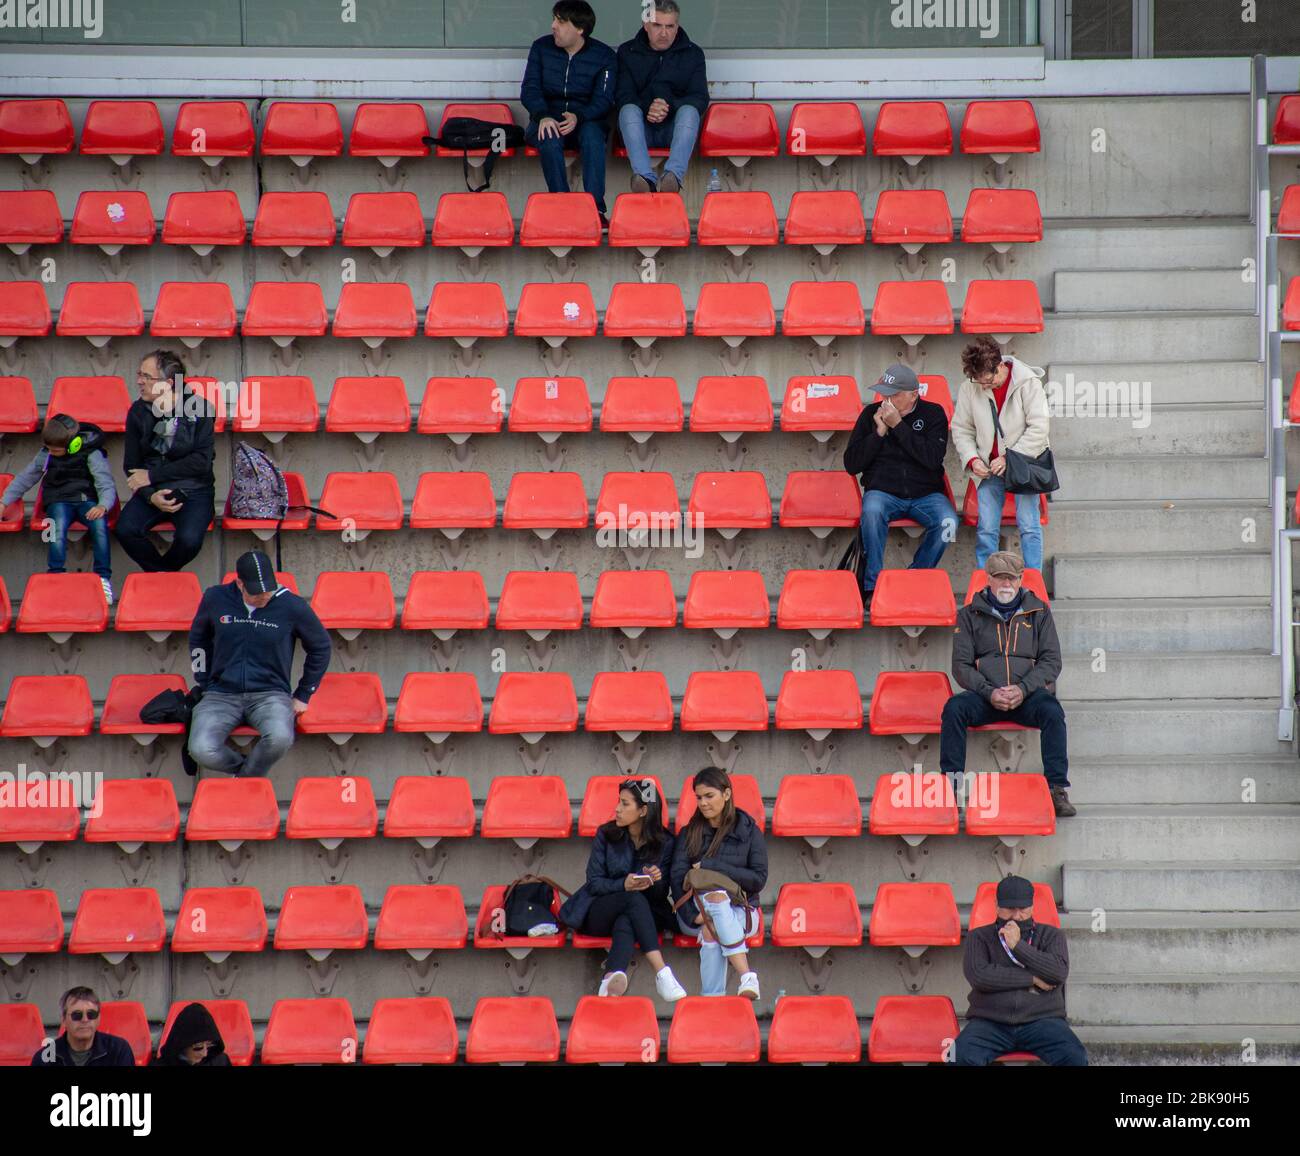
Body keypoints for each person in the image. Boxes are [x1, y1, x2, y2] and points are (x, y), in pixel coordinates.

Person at [942, 550, 1075, 817]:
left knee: (1052, 710)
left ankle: (1056, 789)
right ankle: (951, 789)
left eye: (1012, 579)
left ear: (1021, 579)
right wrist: (989, 692)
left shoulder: (1039, 612)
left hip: (1027, 696)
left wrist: (1023, 688)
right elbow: (961, 666)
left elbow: (1052, 661)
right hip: (985, 697)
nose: (1007, 584)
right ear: (988, 579)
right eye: (1001, 578)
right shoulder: (969, 615)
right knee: (954, 708)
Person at [187, 549, 332, 778]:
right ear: (239, 584)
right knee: (200, 749)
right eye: (256, 593)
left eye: (267, 591)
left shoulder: (292, 605)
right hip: (220, 693)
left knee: (280, 738)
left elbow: (321, 646)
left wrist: (304, 694)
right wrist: (203, 679)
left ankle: (246, 779)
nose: (263, 597)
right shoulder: (215, 598)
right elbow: (198, 639)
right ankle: (247, 774)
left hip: (271, 693)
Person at [559, 778, 688, 1001]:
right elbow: (594, 882)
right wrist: (623, 884)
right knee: (631, 900)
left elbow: (660, 896)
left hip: (643, 913)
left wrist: (655, 880)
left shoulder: (665, 842)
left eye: (625, 804)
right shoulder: (607, 835)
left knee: (629, 915)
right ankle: (662, 972)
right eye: (619, 802)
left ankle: (610, 980)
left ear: (643, 810)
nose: (617, 809)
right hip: (600, 910)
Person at [843, 362, 959, 607]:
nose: (887, 399)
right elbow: (851, 464)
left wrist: (898, 426)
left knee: (949, 522)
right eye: (885, 393)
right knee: (871, 511)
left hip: (926, 494)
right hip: (883, 492)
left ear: (913, 395)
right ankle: (873, 586)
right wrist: (879, 433)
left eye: (894, 394)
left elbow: (931, 459)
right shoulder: (870, 415)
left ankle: (915, 579)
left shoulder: (933, 413)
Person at [954, 875, 1088, 1066]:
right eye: (1009, 909)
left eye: (1023, 909)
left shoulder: (1052, 935)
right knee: (959, 1055)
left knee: (1075, 1056)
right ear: (997, 906)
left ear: (1032, 907)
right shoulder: (979, 937)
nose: (1016, 916)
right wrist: (1032, 978)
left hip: (1042, 1019)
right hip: (990, 1022)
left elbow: (1058, 973)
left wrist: (1018, 945)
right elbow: (979, 976)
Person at [950, 335, 1051, 571]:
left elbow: (1040, 428)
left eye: (986, 380)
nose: (983, 386)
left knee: (1029, 526)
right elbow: (961, 428)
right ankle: (988, 583)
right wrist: (972, 459)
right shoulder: (970, 387)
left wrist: (1008, 458)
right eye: (977, 381)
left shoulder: (1028, 383)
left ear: (999, 368)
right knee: (986, 529)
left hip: (1023, 464)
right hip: (987, 468)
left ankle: (1033, 582)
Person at [115, 349, 215, 573]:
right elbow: (131, 464)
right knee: (125, 529)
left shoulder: (200, 408)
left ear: (168, 383)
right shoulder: (137, 411)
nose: (139, 381)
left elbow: (201, 462)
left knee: (189, 540)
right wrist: (150, 494)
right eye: (139, 375)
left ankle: (162, 575)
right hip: (154, 490)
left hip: (194, 490)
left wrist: (151, 476)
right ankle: (162, 575)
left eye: (147, 377)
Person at [670, 767, 767, 999]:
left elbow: (758, 880)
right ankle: (747, 976)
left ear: (726, 794)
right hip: (695, 913)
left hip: (743, 911)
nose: (703, 803)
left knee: (717, 909)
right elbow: (676, 878)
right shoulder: (689, 833)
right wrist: (693, 915)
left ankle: (711, 1000)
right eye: (699, 797)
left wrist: (712, 866)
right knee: (713, 914)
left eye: (709, 796)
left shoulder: (749, 831)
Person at [1, 413, 116, 604]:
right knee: (56, 528)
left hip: (85, 499)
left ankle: (102, 578)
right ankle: (56, 575)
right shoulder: (46, 454)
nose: (52, 453)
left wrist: (102, 505)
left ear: (74, 443)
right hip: (58, 501)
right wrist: (4, 502)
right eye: (49, 449)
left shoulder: (92, 453)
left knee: (100, 527)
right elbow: (25, 478)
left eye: (56, 450)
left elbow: (106, 483)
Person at [520, 1, 617, 224]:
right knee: (549, 135)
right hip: (546, 117)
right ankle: (561, 206)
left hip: (585, 120)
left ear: (580, 28)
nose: (553, 26)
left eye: (561, 22)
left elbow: (604, 99)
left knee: (593, 136)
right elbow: (529, 89)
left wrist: (579, 116)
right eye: (554, 19)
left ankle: (595, 211)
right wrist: (542, 114)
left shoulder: (604, 56)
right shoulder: (541, 48)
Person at [615, 0, 708, 194]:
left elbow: (700, 97)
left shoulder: (693, 54)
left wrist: (668, 106)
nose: (664, 33)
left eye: (670, 26)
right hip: (639, 130)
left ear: (677, 27)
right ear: (646, 25)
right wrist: (649, 107)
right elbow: (622, 95)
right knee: (628, 110)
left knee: (690, 111)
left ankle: (672, 177)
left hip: (675, 131)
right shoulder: (627, 52)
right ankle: (644, 179)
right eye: (657, 25)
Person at [30, 986, 135, 1066]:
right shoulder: (44, 1058)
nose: (85, 1020)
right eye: (77, 1015)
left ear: (98, 1018)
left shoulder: (119, 1050)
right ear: (63, 1019)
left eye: (91, 1014)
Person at [152, 1002, 231, 1066]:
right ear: (183, 1044)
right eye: (198, 1046)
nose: (204, 1053)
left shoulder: (220, 1062)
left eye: (209, 1045)